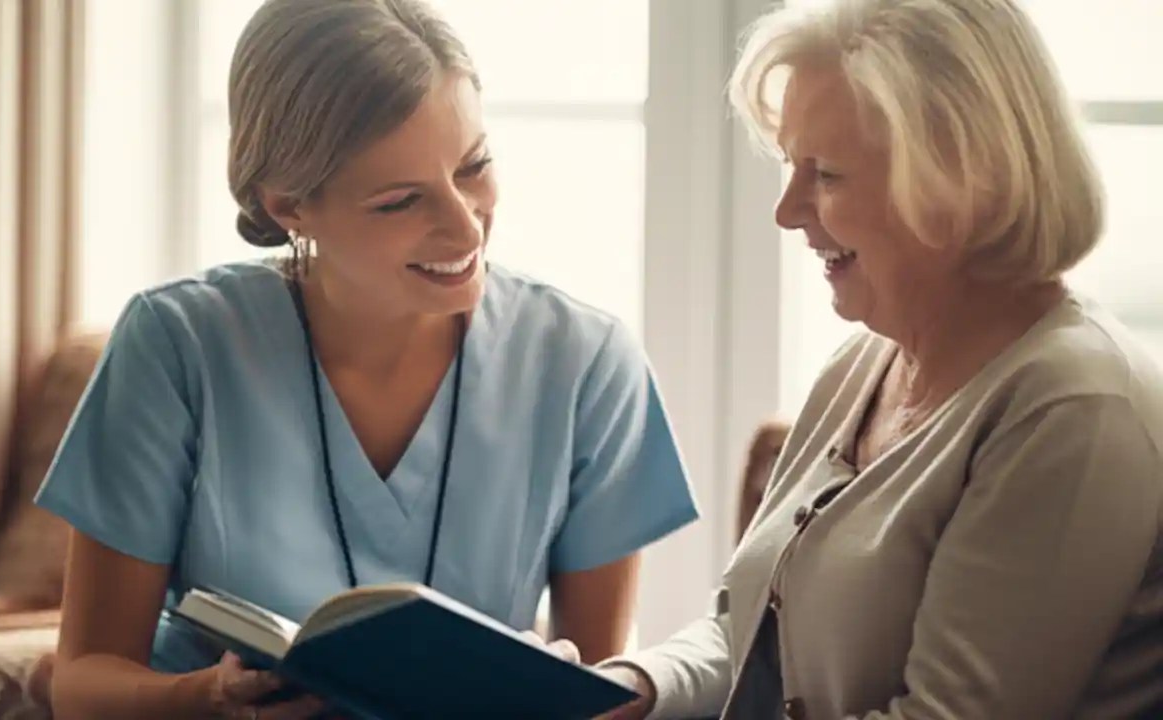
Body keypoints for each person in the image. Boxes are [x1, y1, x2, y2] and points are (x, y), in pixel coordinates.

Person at [35, 1, 698, 717]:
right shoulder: (175, 345)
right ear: (290, 204)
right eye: (400, 201)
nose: (463, 221)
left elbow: (594, 692)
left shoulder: (586, 363)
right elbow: (81, 683)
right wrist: (210, 700)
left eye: (473, 166)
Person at [588, 0, 1163, 718]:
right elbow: (749, 641)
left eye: (825, 174)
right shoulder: (868, 358)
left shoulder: (1075, 407)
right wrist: (636, 688)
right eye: (791, 166)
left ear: (963, 178)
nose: (787, 210)